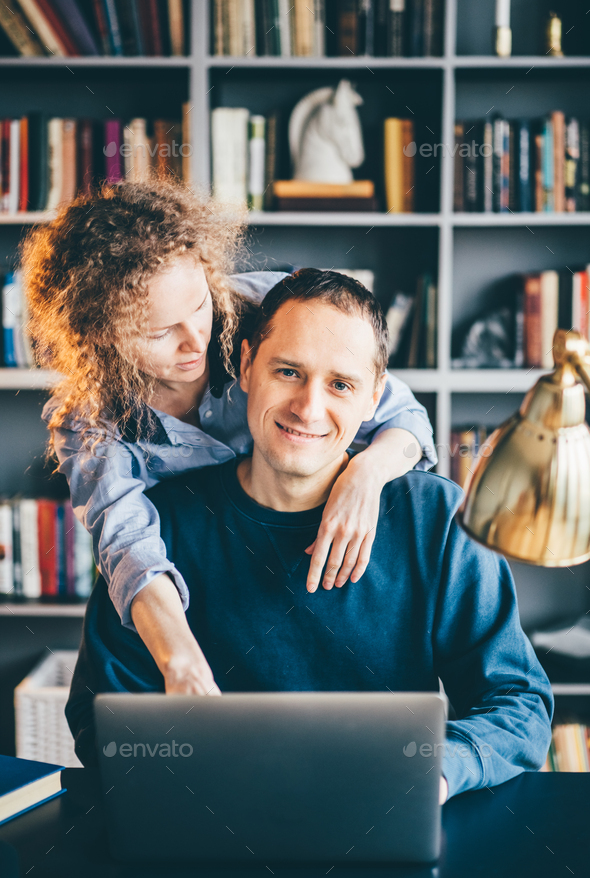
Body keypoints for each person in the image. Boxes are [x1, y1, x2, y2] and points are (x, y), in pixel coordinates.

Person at [66, 268, 553, 802]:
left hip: (389, 827)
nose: (308, 409)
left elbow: (518, 702)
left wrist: (437, 772)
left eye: (340, 384)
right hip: (210, 830)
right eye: (289, 371)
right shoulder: (160, 526)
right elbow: (100, 718)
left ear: (375, 399)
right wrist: (198, 782)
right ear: (247, 366)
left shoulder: (435, 519)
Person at [21, 177, 436, 698]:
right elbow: (128, 547)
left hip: (311, 545)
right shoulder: (89, 421)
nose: (195, 340)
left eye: (198, 306)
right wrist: (182, 663)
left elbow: (401, 414)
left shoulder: (264, 308)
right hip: (210, 583)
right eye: (158, 331)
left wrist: (366, 475)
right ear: (102, 335)